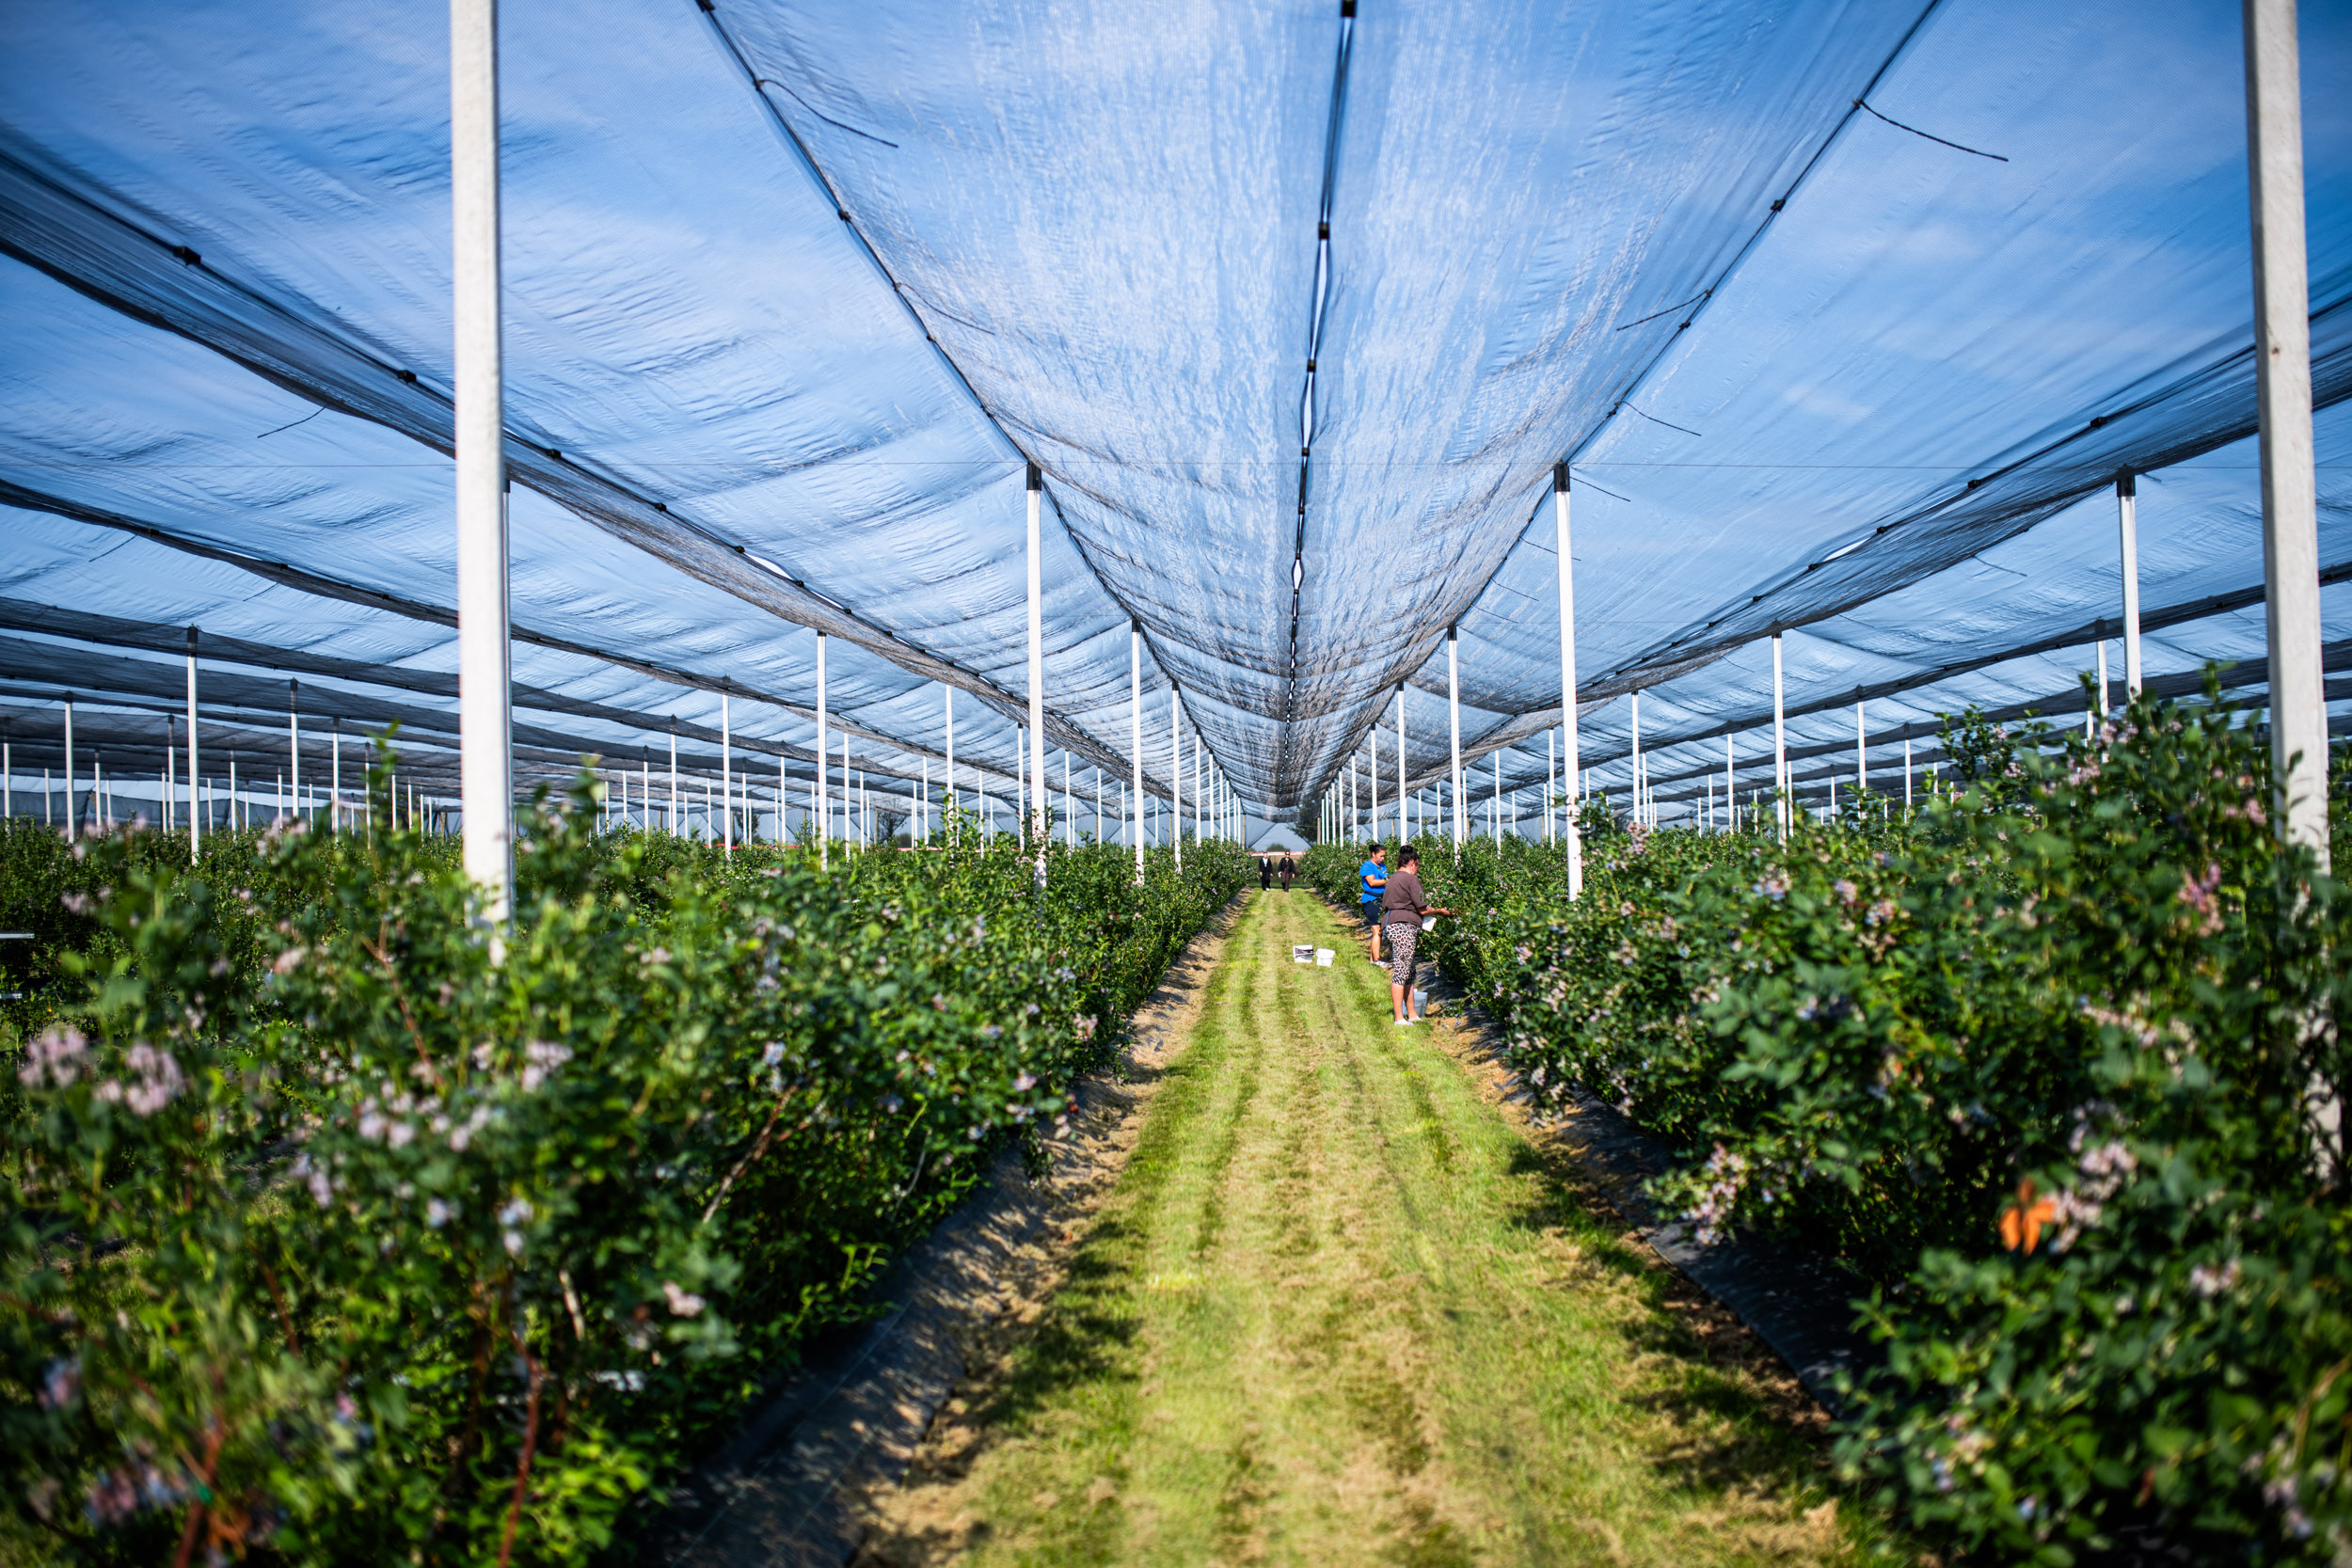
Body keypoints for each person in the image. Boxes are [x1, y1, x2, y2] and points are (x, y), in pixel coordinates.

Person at [1379, 844, 1453, 1025]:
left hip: (1391, 924)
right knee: (1401, 973)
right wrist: (1441, 911)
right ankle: (1399, 1017)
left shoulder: (1393, 878)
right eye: (1418, 865)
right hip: (1403, 927)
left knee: (1409, 973)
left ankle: (1412, 1014)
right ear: (1412, 863)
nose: (1417, 869)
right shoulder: (1410, 879)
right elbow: (1422, 907)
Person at [1357, 843, 1388, 962]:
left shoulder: (1382, 866)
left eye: (1384, 856)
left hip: (1381, 899)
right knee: (1377, 931)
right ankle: (1377, 961)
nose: (1382, 858)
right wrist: (1387, 880)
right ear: (1373, 854)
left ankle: (1372, 960)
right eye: (1380, 856)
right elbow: (1372, 882)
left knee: (1378, 931)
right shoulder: (1367, 866)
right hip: (1371, 900)